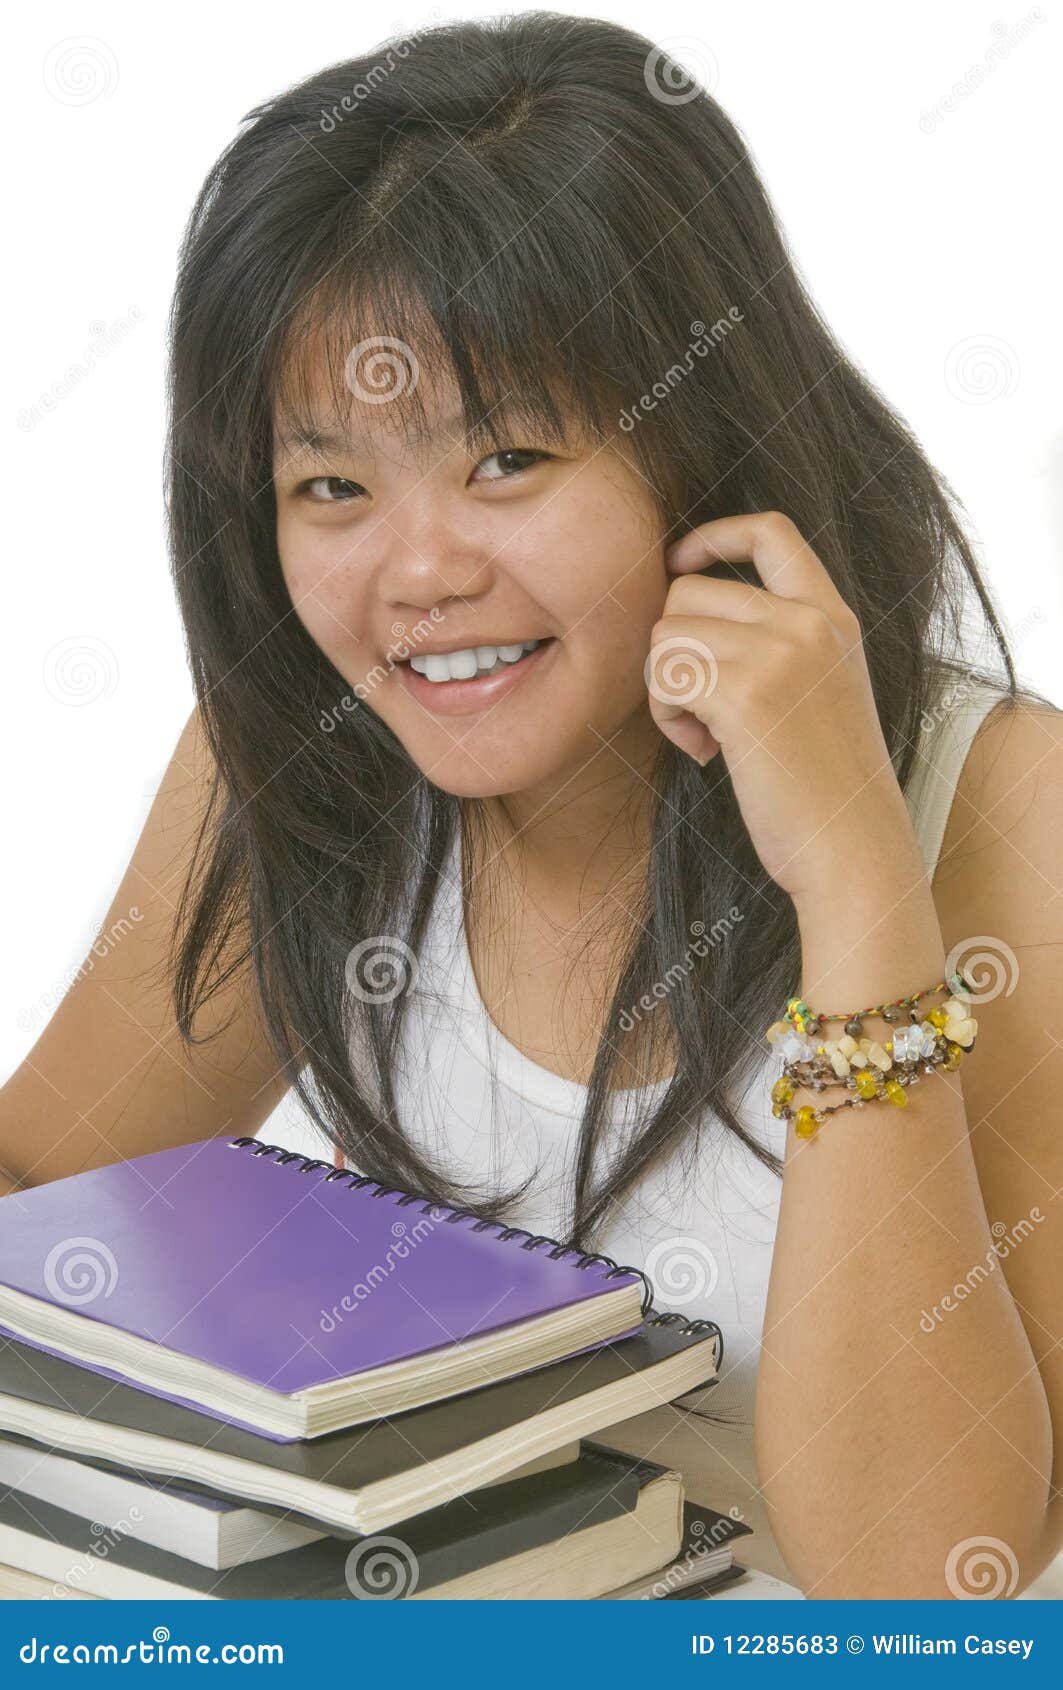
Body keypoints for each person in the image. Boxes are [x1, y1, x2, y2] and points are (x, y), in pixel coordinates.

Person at [2, 14, 1060, 1599]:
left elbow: (924, 1589)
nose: (417, 575)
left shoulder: (1005, 810)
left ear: (706, 459)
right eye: (332, 487)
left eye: (506, 457)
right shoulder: (296, 760)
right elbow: (42, 1194)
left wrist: (853, 880)